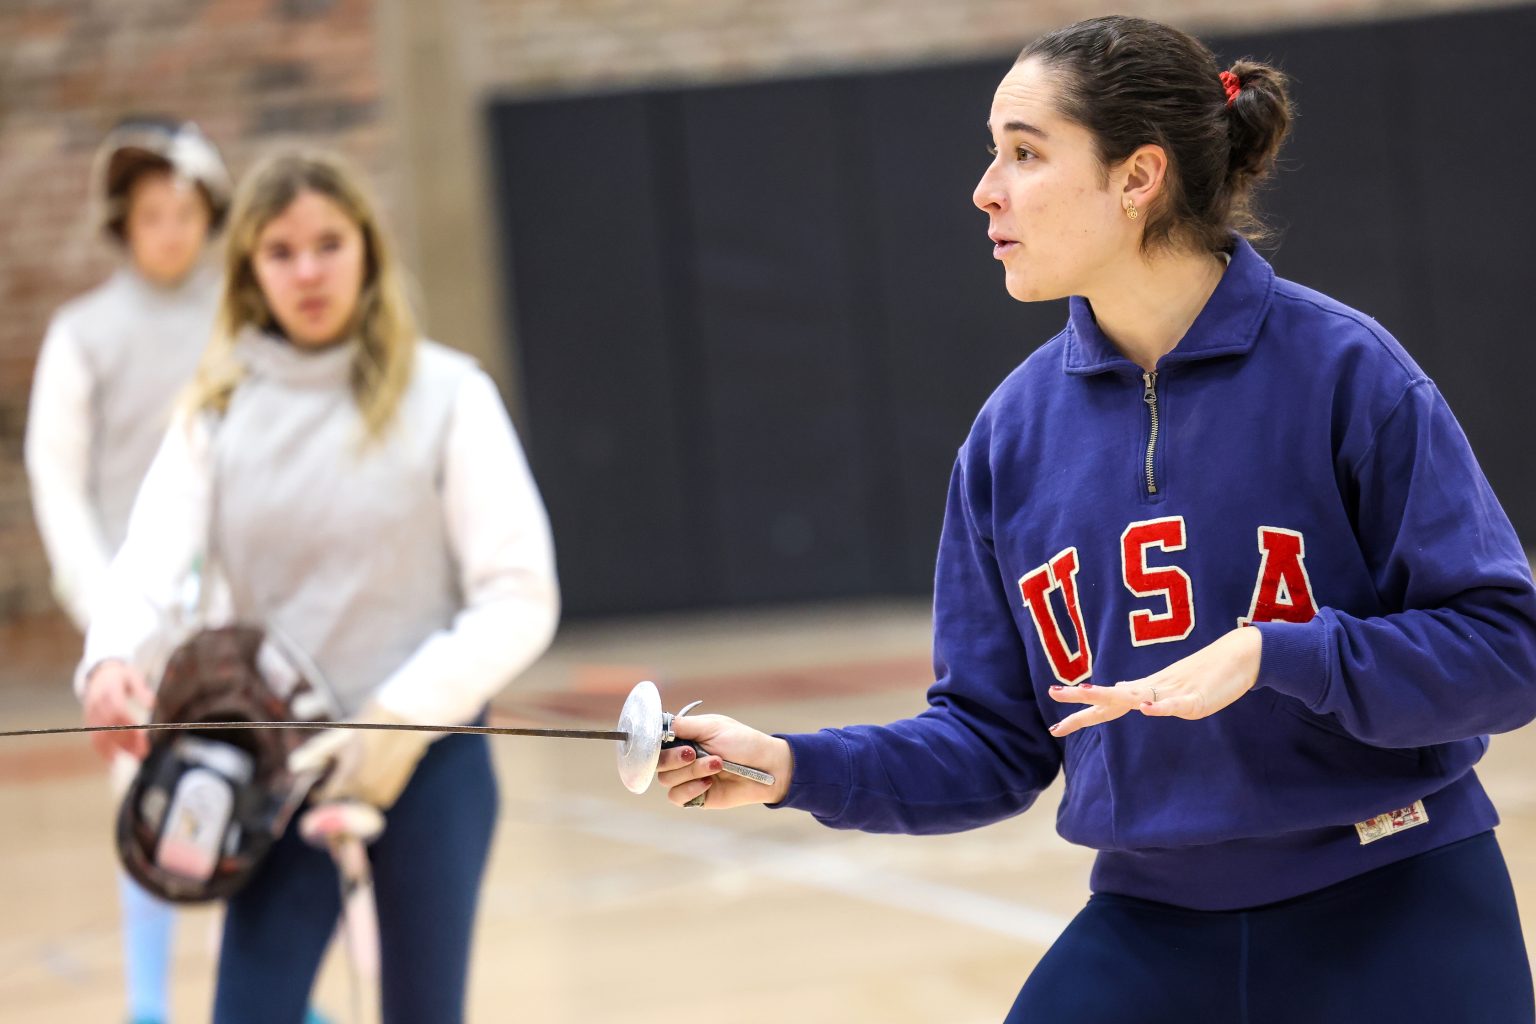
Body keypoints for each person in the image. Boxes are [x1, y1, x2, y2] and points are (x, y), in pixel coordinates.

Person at [655, 15, 1536, 1023]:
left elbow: (1508, 653)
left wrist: (1279, 653)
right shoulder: (1009, 438)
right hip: (1154, 927)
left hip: (1398, 904)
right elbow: (991, 743)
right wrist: (793, 767)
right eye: (995, 155)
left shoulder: (1347, 373)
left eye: (1025, 153)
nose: (986, 190)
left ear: (1138, 176)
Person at [74, 149, 560, 1024]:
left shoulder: (448, 395)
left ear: (368, 251)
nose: (308, 271)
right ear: (252, 269)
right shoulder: (217, 411)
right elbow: (152, 560)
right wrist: (111, 657)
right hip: (272, 771)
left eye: (328, 244)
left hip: (430, 761)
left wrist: (399, 720)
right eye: (281, 251)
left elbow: (521, 592)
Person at [24, 117, 232, 1024]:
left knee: (250, 798)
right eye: (152, 213)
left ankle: (265, 991)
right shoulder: (84, 333)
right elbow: (55, 475)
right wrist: (101, 600)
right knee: (147, 801)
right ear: (125, 222)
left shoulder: (242, 314)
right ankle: (149, 1004)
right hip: (135, 612)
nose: (170, 229)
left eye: (185, 211)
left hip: (236, 610)